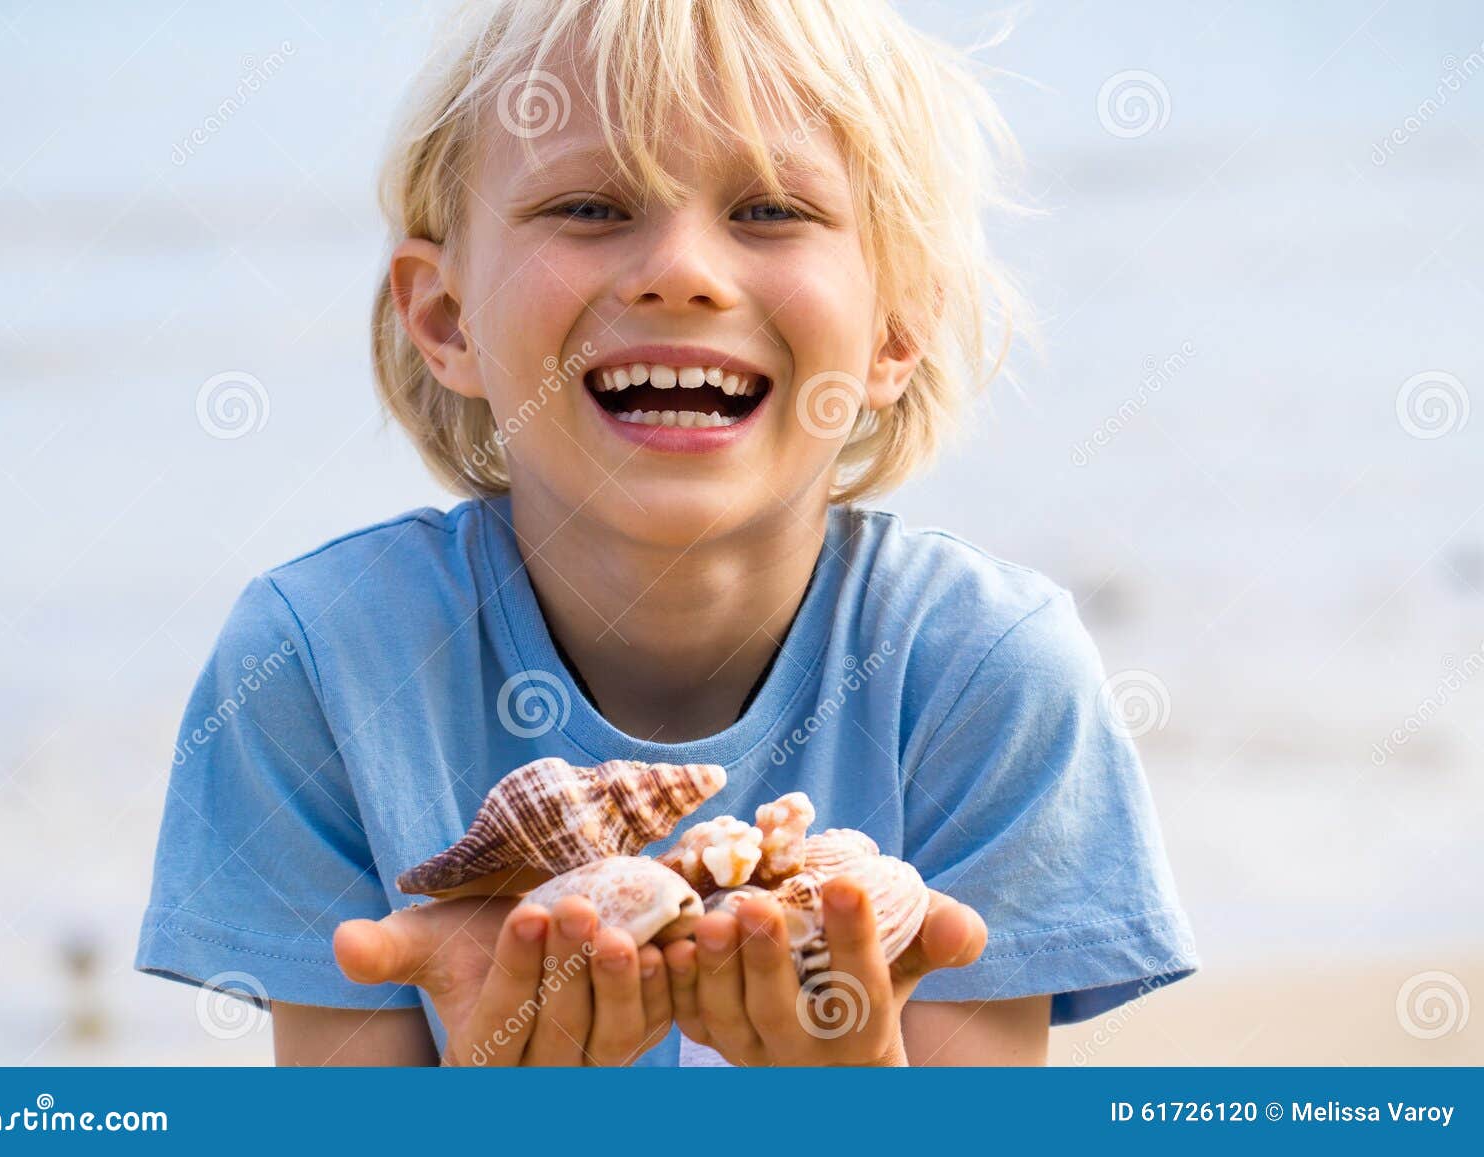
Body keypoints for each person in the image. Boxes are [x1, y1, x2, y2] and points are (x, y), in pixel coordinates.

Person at [136, 0, 1197, 1066]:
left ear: (896, 327)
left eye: (773, 210)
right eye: (591, 206)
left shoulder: (983, 671)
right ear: (445, 318)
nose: (681, 269)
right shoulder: (326, 659)